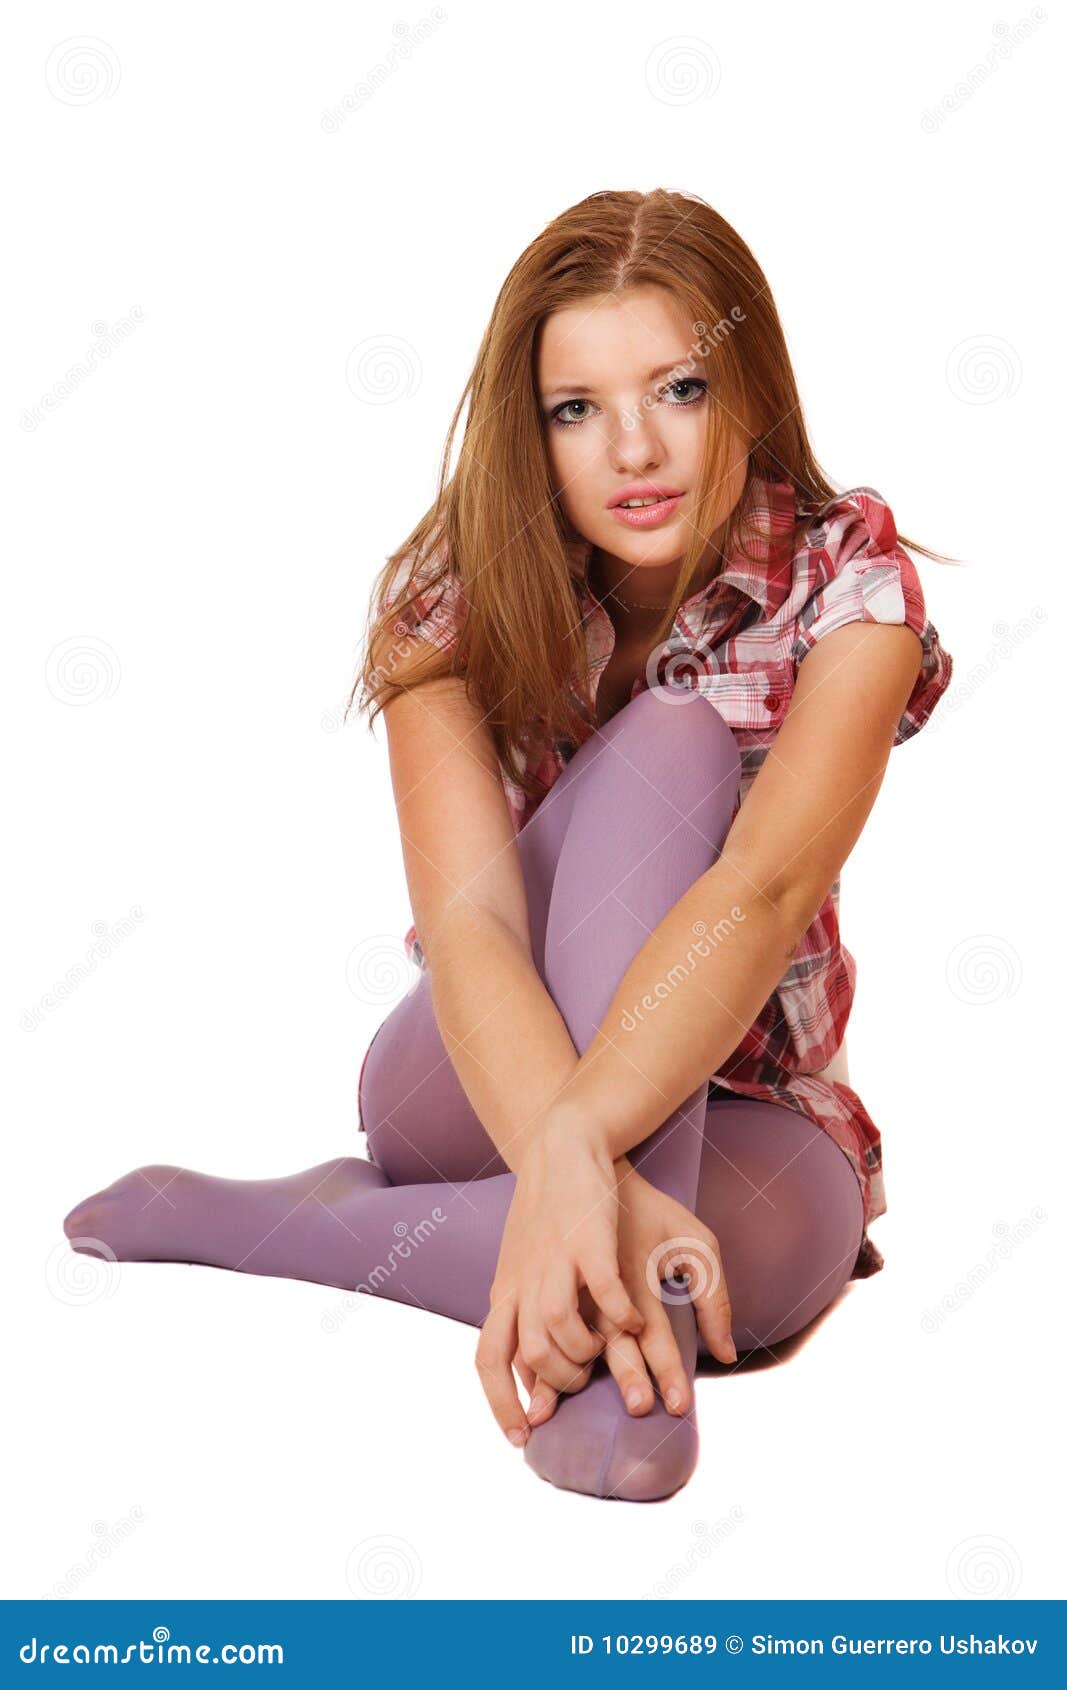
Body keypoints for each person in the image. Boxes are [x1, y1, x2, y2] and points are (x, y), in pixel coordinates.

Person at [62, 188, 954, 1503]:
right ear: (530, 433)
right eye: (577, 407)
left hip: (742, 1095)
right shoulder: (450, 600)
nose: (634, 448)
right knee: (676, 740)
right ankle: (612, 1377)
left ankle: (315, 1228)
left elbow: (762, 894)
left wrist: (584, 1151)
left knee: (765, 1264)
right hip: (464, 1083)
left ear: (751, 394)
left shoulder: (851, 589)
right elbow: (472, 924)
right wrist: (572, 1145)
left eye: (682, 389)